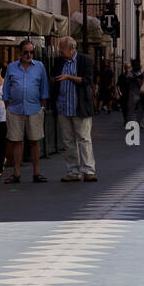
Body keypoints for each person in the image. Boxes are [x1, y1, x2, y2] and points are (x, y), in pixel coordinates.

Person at [2, 38, 50, 184]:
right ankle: (16, 173)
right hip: (15, 109)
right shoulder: (11, 67)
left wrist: (42, 106)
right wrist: (8, 106)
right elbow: (6, 89)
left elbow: (44, 87)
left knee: (34, 141)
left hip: (34, 108)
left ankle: (36, 172)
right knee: (16, 141)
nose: (29, 55)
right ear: (20, 52)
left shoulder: (40, 66)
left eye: (31, 52)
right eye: (26, 52)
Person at [51, 36, 97, 183]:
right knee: (68, 140)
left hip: (79, 106)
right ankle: (73, 171)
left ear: (71, 49)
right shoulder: (59, 61)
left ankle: (89, 171)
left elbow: (87, 80)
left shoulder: (85, 60)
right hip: (63, 106)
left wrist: (69, 77)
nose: (60, 51)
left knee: (84, 139)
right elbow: (53, 76)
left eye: (62, 48)